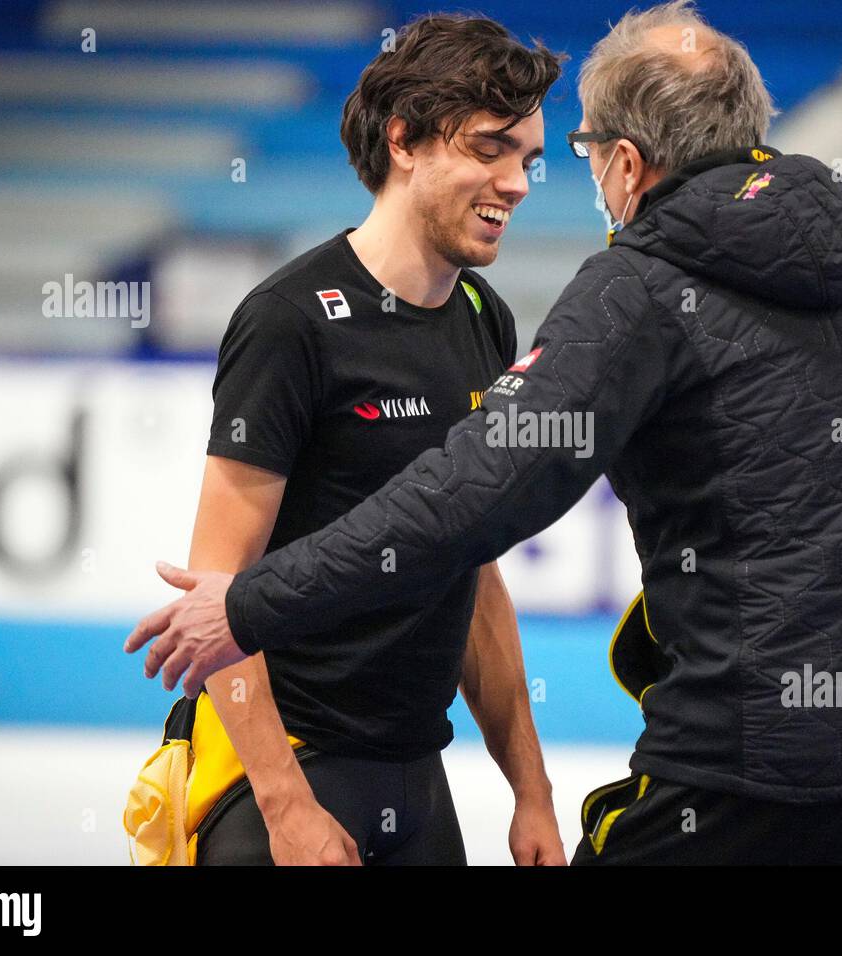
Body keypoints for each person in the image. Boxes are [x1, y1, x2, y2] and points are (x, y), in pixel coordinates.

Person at [126, 0, 842, 865]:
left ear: (626, 163)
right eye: (494, 151)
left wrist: (249, 606)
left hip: (745, 776)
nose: (529, 183)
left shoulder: (634, 287)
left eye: (554, 158)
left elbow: (475, 498)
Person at [132, 13, 565, 866]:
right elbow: (218, 593)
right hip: (282, 775)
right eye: (490, 149)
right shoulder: (290, 320)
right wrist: (284, 806)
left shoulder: (486, 319)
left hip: (417, 775)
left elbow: (475, 577)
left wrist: (533, 794)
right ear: (404, 142)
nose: (516, 182)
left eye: (530, 160)